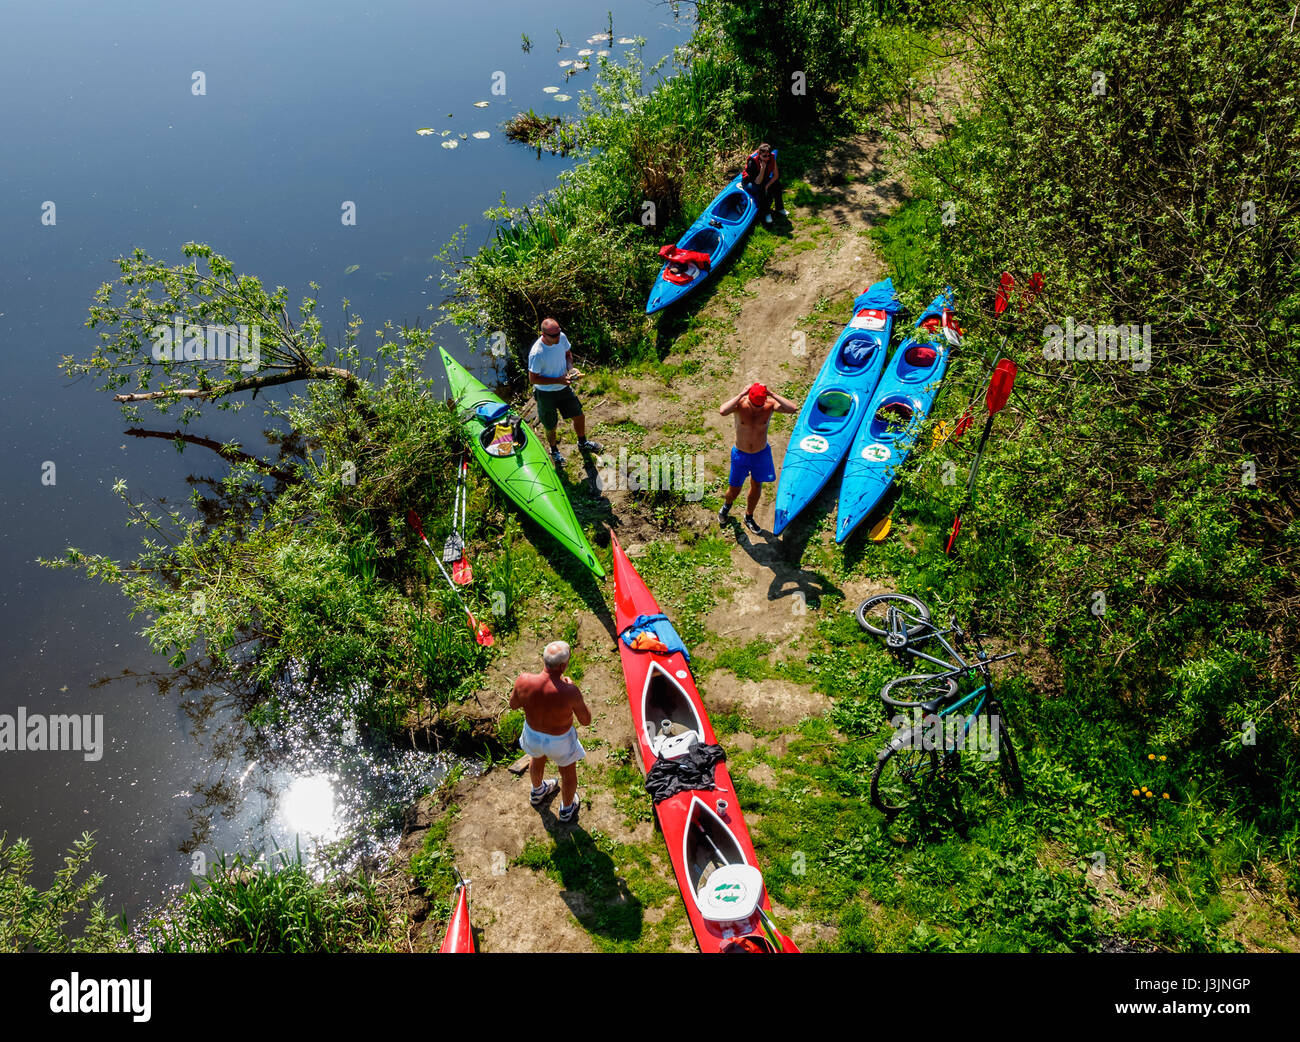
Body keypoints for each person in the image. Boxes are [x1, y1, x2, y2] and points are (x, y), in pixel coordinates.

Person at [509, 641, 592, 823]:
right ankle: (567, 809)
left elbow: (513, 705)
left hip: (533, 735)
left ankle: (538, 792)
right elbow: (586, 721)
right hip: (559, 740)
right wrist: (571, 690)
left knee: (536, 760)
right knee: (568, 773)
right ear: (563, 666)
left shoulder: (523, 680)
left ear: (543, 660)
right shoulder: (569, 691)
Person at [718, 382, 798, 534]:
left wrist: (773, 394)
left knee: (757, 486)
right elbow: (722, 411)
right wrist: (741, 393)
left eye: (760, 405)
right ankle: (727, 505)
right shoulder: (739, 405)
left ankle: (749, 516)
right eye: (755, 405)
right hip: (740, 454)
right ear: (748, 397)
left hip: (760, 455)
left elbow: (792, 409)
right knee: (734, 489)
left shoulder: (768, 405)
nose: (758, 408)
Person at [527, 318, 602, 467]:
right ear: (543, 334)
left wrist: (570, 368)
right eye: (553, 335)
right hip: (545, 394)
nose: (558, 337)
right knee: (551, 426)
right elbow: (533, 379)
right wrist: (557, 380)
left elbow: (568, 354)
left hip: (563, 388)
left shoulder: (561, 337)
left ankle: (583, 443)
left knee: (579, 416)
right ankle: (554, 451)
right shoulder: (537, 353)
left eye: (558, 333)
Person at [741, 143, 787, 225]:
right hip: (749, 181)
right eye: (764, 156)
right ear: (759, 154)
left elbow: (776, 175)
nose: (767, 158)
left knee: (777, 185)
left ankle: (780, 208)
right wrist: (763, 168)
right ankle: (766, 213)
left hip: (762, 179)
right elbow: (757, 182)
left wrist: (767, 185)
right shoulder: (752, 162)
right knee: (761, 190)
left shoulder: (771, 158)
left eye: (768, 155)